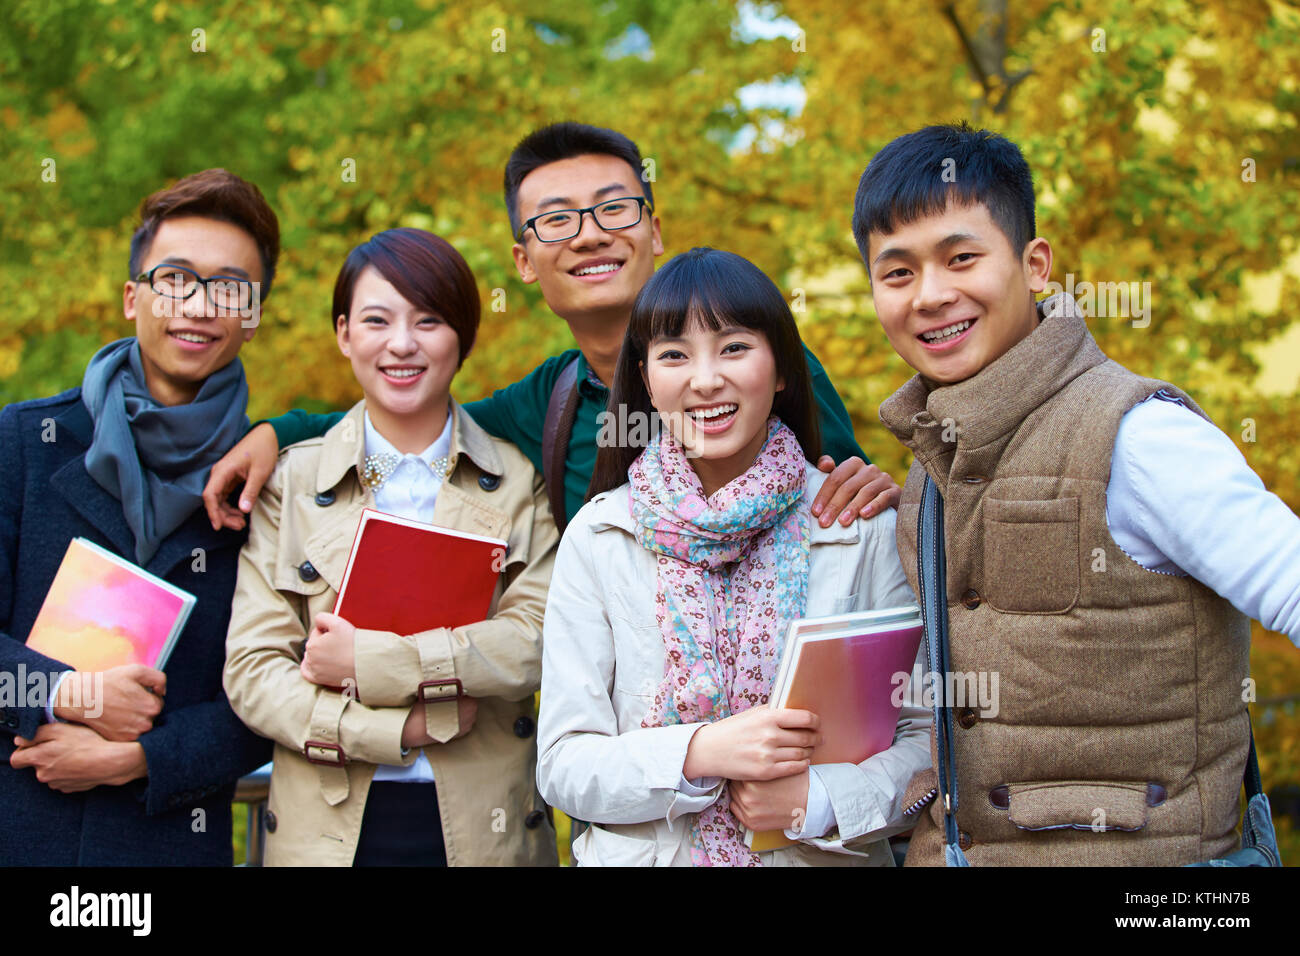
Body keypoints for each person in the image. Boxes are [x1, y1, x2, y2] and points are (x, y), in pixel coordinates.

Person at [854, 122, 1300, 865]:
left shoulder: (1138, 435)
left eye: (961, 258)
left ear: (1034, 265)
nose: (931, 295)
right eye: (896, 273)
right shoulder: (930, 469)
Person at [201, 122, 900, 537]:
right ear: (524, 261)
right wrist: (279, 432)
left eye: (614, 210)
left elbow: (844, 498)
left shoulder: (757, 362)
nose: (590, 236)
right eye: (557, 220)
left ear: (655, 230)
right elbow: (413, 423)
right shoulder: (548, 402)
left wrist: (870, 490)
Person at [536, 247, 930, 866]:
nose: (705, 378)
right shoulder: (600, 535)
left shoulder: (859, 526)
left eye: (734, 347)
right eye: (674, 354)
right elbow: (562, 764)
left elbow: (926, 739)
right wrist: (699, 752)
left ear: (780, 370)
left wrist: (820, 800)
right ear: (645, 378)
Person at [222, 228, 559, 866]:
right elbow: (254, 671)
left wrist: (368, 662)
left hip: (487, 827)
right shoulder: (290, 483)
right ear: (345, 334)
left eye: (429, 321)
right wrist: (394, 731)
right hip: (322, 830)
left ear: (462, 336)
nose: (402, 344)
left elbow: (536, 639)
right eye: (377, 320)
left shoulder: (517, 481)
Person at [0, 169, 274, 864]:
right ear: (133, 297)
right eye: (175, 278)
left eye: (230, 288)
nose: (200, 305)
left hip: (171, 846)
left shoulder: (272, 480)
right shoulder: (24, 444)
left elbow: (273, 693)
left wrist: (144, 758)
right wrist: (68, 691)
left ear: (253, 314)